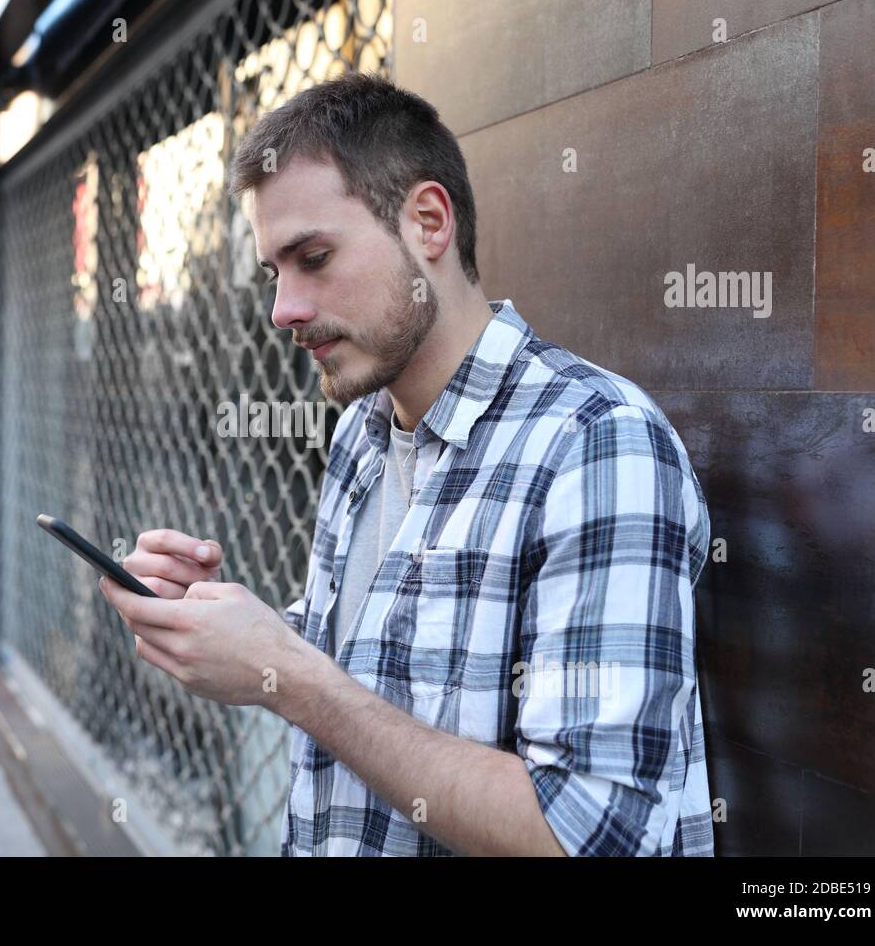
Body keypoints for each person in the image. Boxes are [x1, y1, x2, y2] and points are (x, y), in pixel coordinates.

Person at [100, 72, 713, 856]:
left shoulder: (595, 444)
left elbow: (589, 834)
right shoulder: (361, 432)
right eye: (273, 273)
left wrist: (287, 674)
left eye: (313, 257)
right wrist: (226, 625)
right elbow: (380, 668)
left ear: (428, 222)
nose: (282, 309)